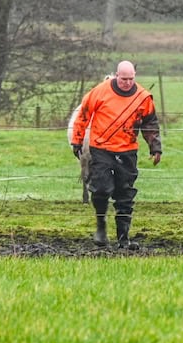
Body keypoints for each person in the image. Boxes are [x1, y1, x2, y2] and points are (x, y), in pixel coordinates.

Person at [69, 60, 161, 249]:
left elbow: (150, 123)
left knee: (125, 194)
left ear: (135, 76)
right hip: (101, 148)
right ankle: (101, 227)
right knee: (101, 189)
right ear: (117, 75)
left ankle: (123, 238)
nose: (127, 82)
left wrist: (155, 147)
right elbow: (83, 116)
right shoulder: (99, 92)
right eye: (123, 79)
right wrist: (77, 141)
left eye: (130, 79)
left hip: (127, 150)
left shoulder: (143, 97)